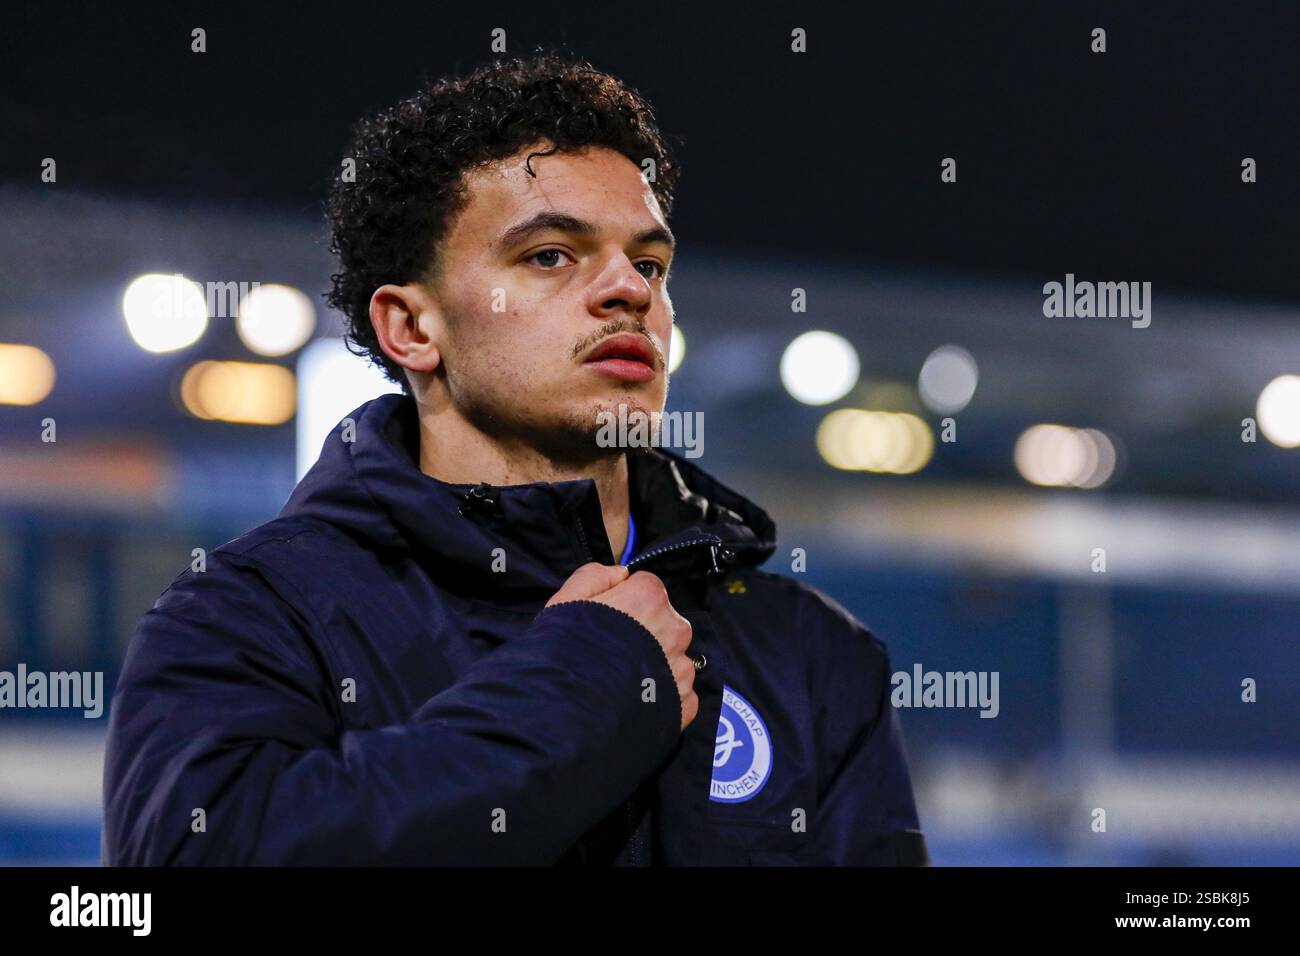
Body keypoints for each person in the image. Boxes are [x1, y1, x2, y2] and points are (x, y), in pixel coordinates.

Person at [102, 51, 928, 866]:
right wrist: (580, 692)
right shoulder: (249, 617)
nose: (630, 291)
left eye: (649, 264)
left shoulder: (811, 651)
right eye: (550, 256)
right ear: (413, 328)